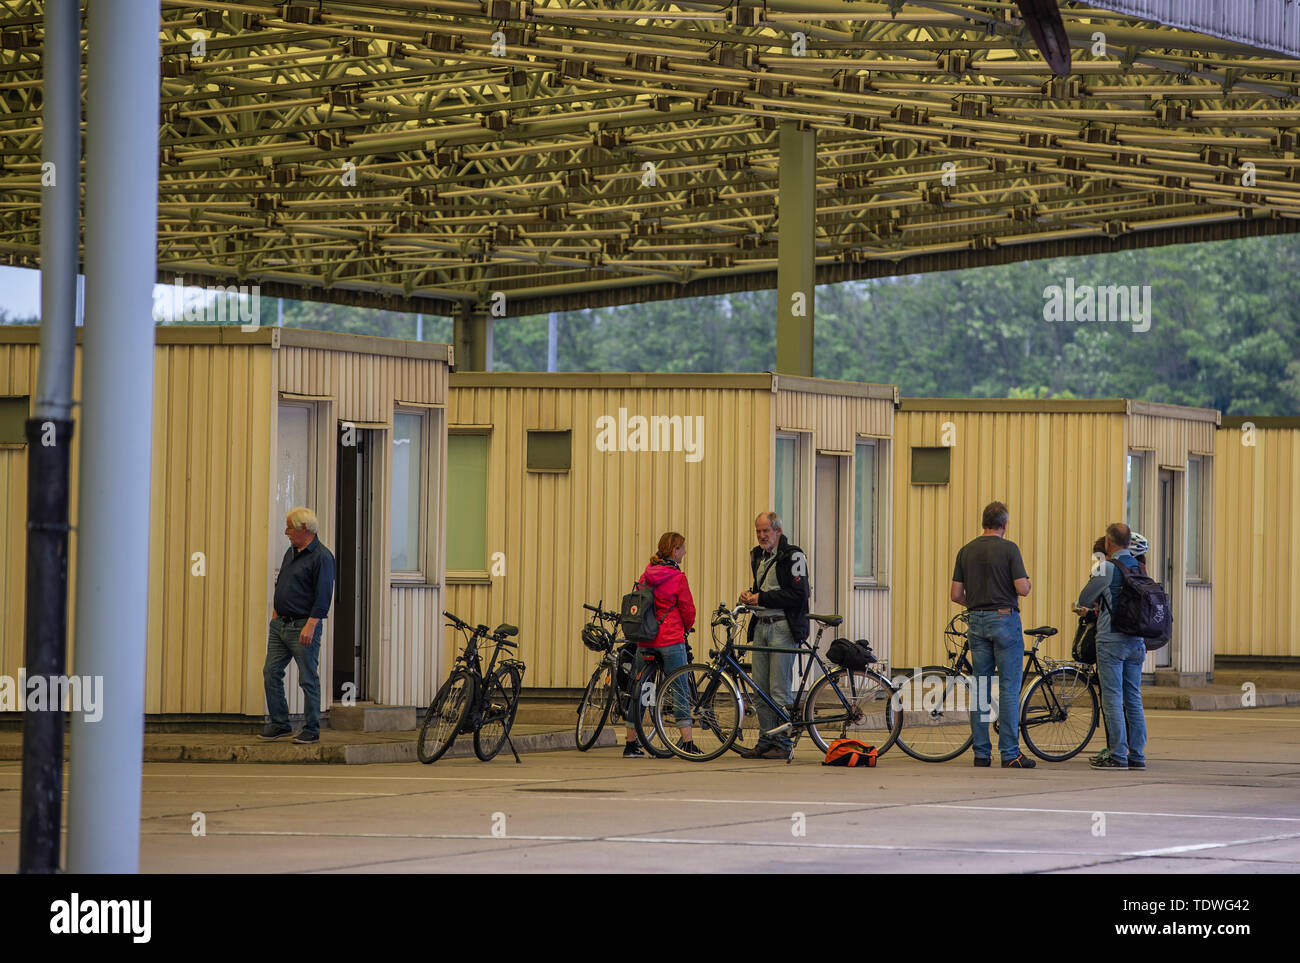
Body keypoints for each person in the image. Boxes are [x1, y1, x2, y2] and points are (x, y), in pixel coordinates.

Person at [950, 501, 1035, 768]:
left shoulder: (966, 551)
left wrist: (976, 606)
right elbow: (1022, 588)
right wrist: (1028, 584)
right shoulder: (1009, 549)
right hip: (1004, 620)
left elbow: (955, 595)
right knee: (1009, 688)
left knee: (980, 687)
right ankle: (1010, 754)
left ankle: (981, 753)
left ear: (983, 522)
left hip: (976, 620)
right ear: (1005, 524)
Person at [1075, 522, 1148, 771]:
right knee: (1133, 697)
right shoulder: (1139, 567)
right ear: (1129, 542)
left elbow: (1084, 599)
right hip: (1137, 641)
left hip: (1111, 639)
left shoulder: (1105, 567)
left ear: (1108, 543)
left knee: (1113, 697)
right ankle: (1137, 754)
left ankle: (1117, 754)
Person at [737, 512, 810, 760]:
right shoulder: (758, 556)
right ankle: (765, 740)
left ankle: (782, 743)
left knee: (778, 689)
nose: (761, 536)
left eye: (766, 531)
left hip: (781, 626)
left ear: (777, 531)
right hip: (761, 625)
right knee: (760, 689)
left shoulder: (794, 555)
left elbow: (799, 594)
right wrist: (750, 596)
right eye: (758, 531)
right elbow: (763, 590)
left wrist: (762, 598)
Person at [261, 506, 336, 744]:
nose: (286, 532)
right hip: (280, 624)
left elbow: (323, 595)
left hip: (303, 626)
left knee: (307, 677)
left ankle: (312, 728)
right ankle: (280, 723)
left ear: (304, 529)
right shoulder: (291, 552)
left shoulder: (322, 557)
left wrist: (311, 625)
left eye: (289, 528)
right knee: (271, 672)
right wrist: (275, 613)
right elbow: (282, 581)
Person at [625, 532, 700, 757]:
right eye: (682, 548)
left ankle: (630, 744)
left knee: (641, 690)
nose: (685, 552)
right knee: (679, 688)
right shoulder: (677, 577)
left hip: (646, 639)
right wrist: (686, 627)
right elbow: (688, 610)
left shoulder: (646, 575)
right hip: (670, 639)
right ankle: (686, 742)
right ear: (675, 551)